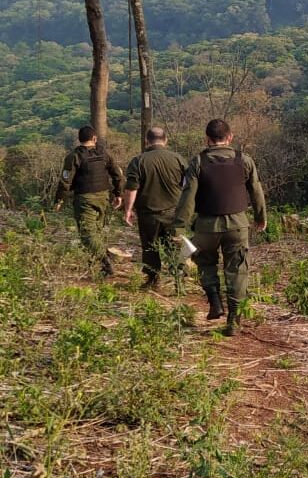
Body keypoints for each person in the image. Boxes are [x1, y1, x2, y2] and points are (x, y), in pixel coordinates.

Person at [173, 119, 267, 336]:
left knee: (205, 262)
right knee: (237, 271)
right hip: (237, 225)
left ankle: (215, 301)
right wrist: (261, 217)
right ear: (230, 137)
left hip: (206, 225)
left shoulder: (197, 162)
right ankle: (234, 321)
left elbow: (188, 197)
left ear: (207, 139)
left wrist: (179, 227)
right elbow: (256, 190)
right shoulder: (244, 160)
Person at [122, 126, 187, 290]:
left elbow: (132, 188)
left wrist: (128, 210)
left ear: (146, 141)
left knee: (150, 247)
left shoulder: (138, 161)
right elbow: (189, 185)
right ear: (165, 140)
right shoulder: (178, 159)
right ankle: (180, 281)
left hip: (149, 214)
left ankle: (153, 279)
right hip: (174, 212)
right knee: (176, 246)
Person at [54, 125, 124, 276]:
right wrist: (118, 194)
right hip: (103, 197)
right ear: (94, 138)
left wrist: (59, 200)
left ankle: (104, 260)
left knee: (87, 233)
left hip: (85, 198)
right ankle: (95, 265)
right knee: (96, 231)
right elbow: (117, 174)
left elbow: (65, 180)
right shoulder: (104, 154)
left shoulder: (74, 156)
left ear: (79, 140)